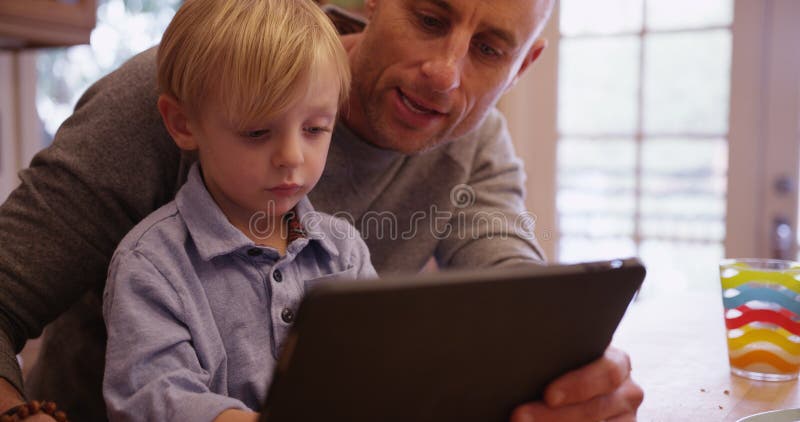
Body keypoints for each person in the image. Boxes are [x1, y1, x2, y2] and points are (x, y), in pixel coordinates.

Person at [0, 0, 644, 421]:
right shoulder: (192, 89)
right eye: (428, 16)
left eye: (489, 51)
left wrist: (567, 372)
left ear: (524, 64)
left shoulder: (472, 143)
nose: (445, 75)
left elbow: (514, 292)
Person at [100, 0, 376, 421]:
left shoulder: (345, 251)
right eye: (257, 131)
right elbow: (155, 395)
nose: (290, 156)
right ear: (183, 123)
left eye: (315, 129)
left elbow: (382, 368)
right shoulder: (151, 266)